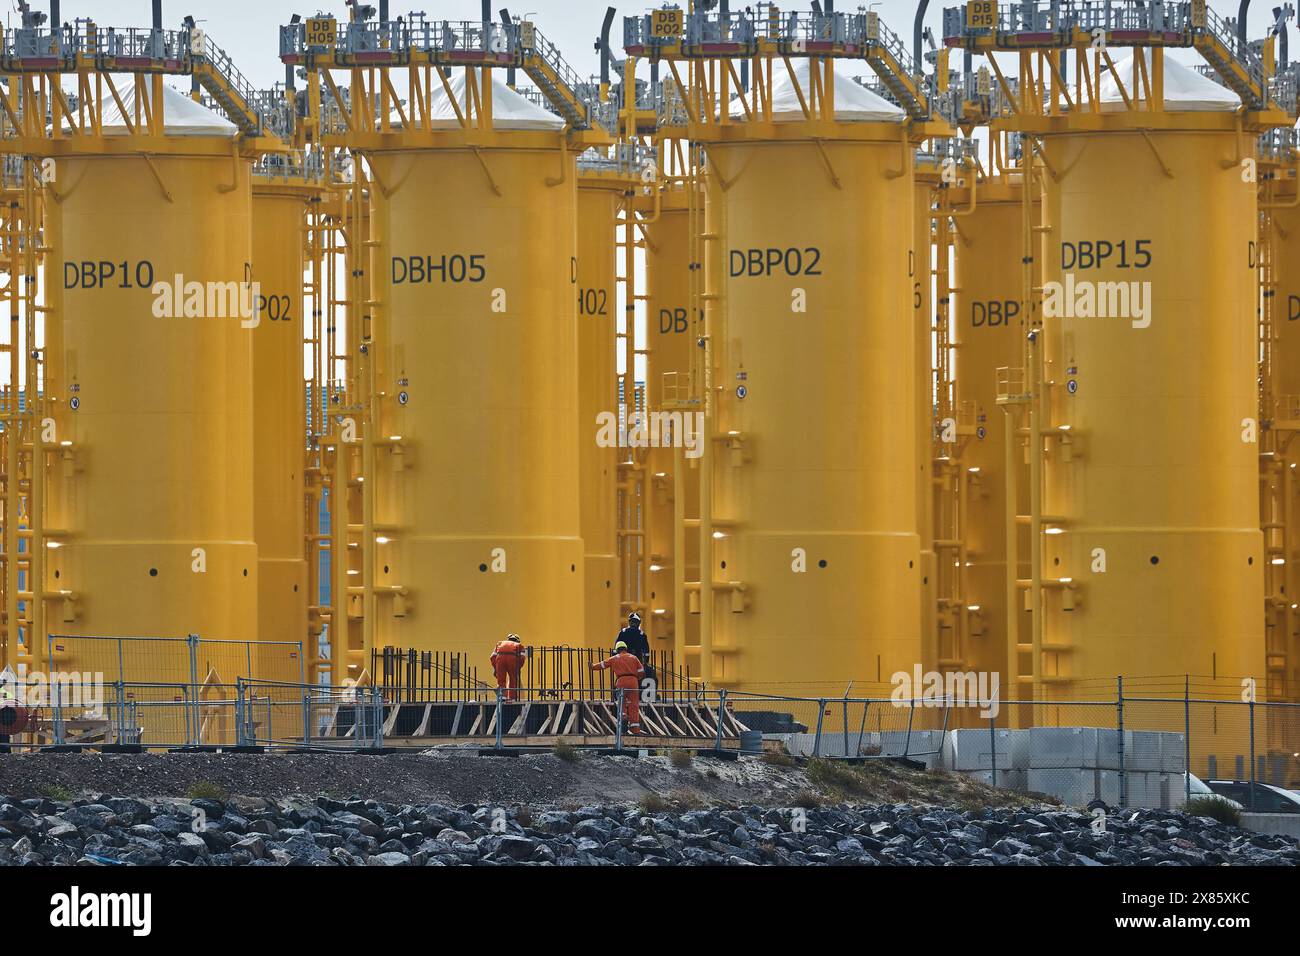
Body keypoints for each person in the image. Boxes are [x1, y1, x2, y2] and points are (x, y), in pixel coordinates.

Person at [591, 641, 645, 735]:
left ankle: (623, 718)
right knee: (634, 705)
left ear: (617, 650)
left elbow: (603, 665)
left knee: (621, 703)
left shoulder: (614, 658)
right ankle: (635, 729)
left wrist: (592, 667)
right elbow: (641, 671)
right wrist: (637, 678)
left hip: (621, 681)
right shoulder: (634, 657)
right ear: (626, 648)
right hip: (633, 681)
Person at [490, 633, 526, 701]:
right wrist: (517, 668)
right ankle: (512, 697)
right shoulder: (519, 645)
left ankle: (502, 696)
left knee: (501, 679)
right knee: (513, 679)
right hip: (512, 659)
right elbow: (522, 658)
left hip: (500, 659)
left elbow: (492, 657)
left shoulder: (499, 643)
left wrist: (496, 668)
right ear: (517, 640)